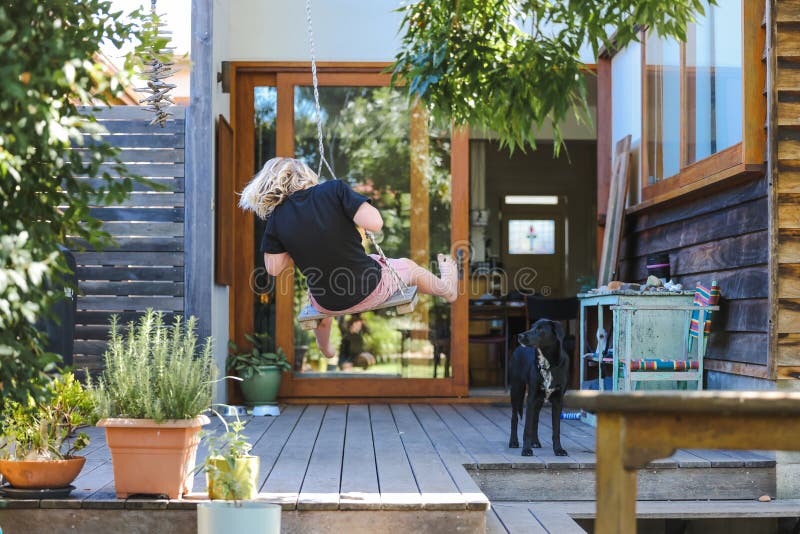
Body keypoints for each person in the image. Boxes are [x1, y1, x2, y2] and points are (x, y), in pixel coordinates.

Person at [239, 157, 458, 359]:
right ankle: (447, 289)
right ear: (305, 175)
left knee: (320, 310)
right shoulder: (333, 190)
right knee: (409, 268)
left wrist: (297, 240)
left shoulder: (277, 218)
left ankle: (326, 349)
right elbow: (375, 224)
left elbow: (274, 268)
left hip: (327, 303)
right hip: (371, 288)